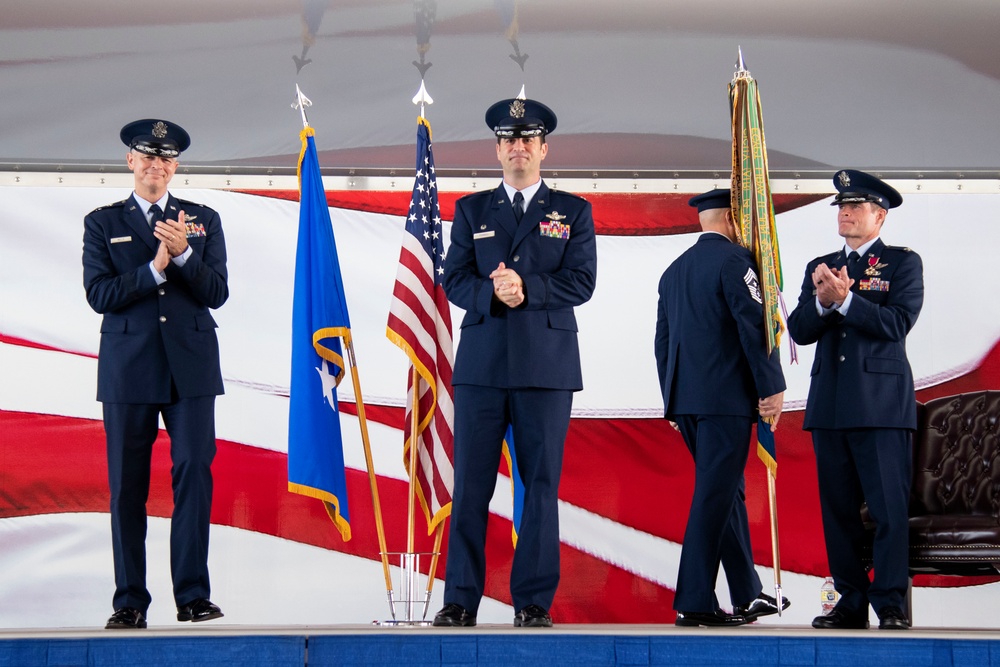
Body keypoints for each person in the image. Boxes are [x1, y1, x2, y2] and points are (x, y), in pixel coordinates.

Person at [432, 97, 597, 628]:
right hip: (482, 367)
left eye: (528, 140)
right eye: (509, 140)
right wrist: (490, 294)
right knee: (471, 487)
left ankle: (532, 602)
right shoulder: (471, 210)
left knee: (540, 489)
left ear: (543, 149)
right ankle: (459, 599)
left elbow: (582, 281)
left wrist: (527, 287)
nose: (518, 147)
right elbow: (453, 279)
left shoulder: (572, 211)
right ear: (498, 150)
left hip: (545, 369)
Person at [83, 119, 229, 629]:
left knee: (194, 473)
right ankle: (129, 601)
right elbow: (99, 295)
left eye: (165, 159)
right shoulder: (102, 222)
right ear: (130, 162)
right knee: (127, 486)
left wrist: (185, 254)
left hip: (190, 369)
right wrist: (154, 266)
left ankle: (192, 596)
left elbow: (217, 293)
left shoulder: (202, 220)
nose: (156, 165)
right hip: (129, 369)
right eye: (146, 156)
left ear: (175, 167)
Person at [786, 169, 923, 631]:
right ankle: (849, 601)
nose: (844, 212)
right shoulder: (820, 265)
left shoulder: (903, 264)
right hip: (830, 405)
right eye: (841, 206)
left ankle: (889, 603)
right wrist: (824, 303)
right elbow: (801, 332)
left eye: (855, 206)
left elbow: (897, 324)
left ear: (879, 216)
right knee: (839, 513)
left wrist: (846, 302)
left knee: (887, 511)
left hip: (882, 406)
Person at [654, 189, 788, 627]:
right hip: (725, 400)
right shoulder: (735, 262)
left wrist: (671, 401)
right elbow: (752, 325)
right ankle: (694, 601)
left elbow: (662, 343)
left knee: (726, 491)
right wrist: (772, 386)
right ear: (732, 219)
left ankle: (747, 592)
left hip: (687, 401)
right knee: (715, 495)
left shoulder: (673, 272)